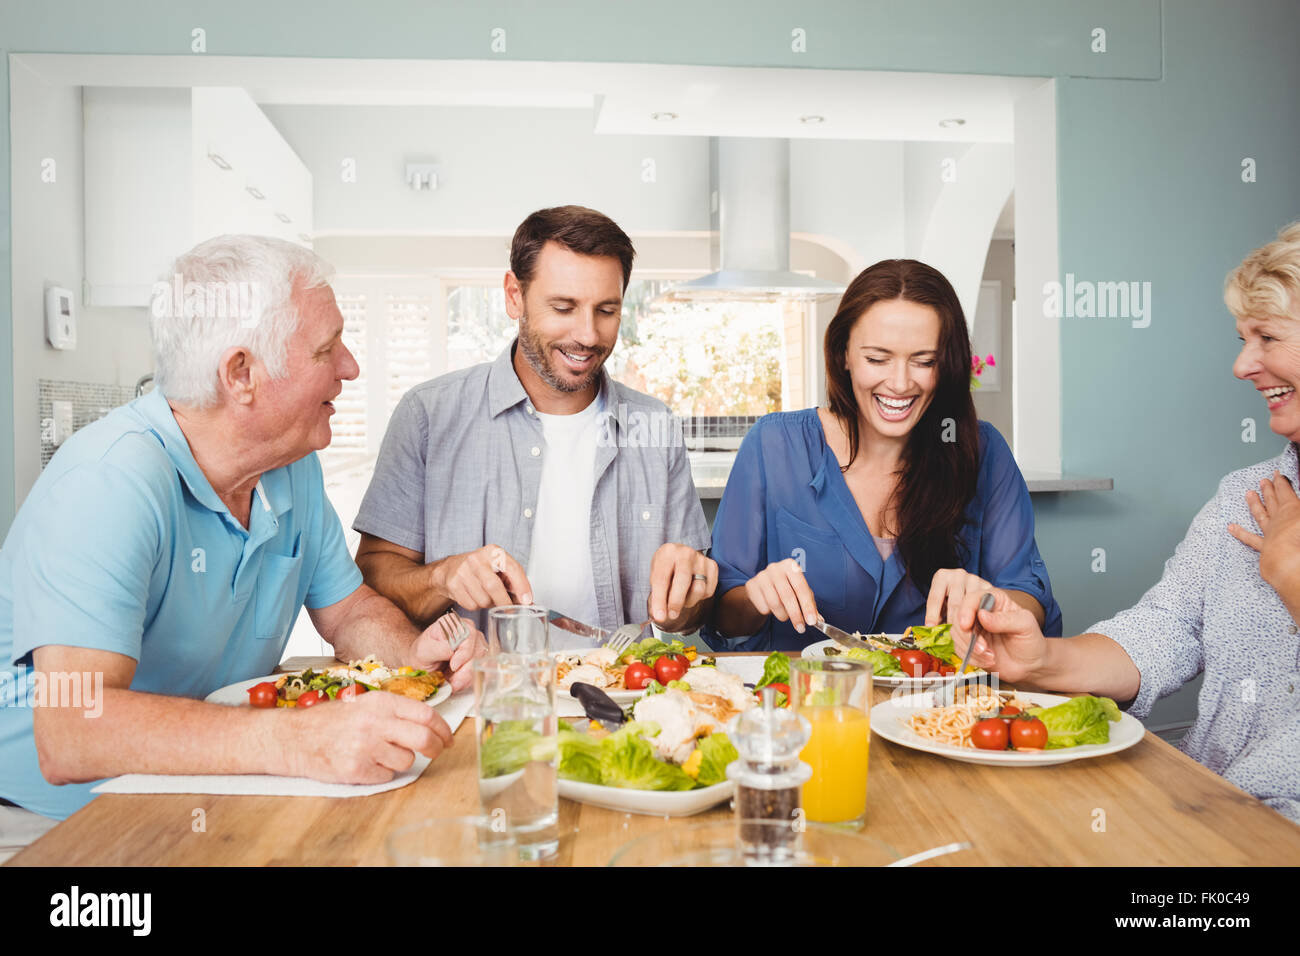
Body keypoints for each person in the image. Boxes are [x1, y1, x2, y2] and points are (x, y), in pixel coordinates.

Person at [0, 235, 486, 854]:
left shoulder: (289, 466)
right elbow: (70, 730)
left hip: (199, 789)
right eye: (326, 348)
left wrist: (411, 656)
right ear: (241, 374)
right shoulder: (109, 481)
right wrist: (301, 738)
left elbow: (350, 611)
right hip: (51, 822)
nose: (350, 366)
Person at [952, 223, 1300, 824]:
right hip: (1200, 805)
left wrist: (1292, 575)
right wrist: (1042, 661)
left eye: (1266, 337)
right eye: (1243, 338)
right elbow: (1166, 627)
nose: (1243, 364)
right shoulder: (1246, 494)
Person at [354, 206, 714, 641]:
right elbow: (372, 576)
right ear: (514, 296)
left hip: (619, 694)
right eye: (563, 307)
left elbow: (692, 612)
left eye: (607, 310)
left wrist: (688, 598)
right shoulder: (428, 415)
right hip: (475, 695)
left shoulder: (654, 426)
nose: (587, 334)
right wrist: (443, 577)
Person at [707, 258, 1062, 651]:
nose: (899, 383)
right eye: (877, 359)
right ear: (843, 354)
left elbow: (1031, 602)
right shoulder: (773, 446)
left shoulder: (983, 453)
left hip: (938, 709)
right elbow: (723, 613)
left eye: (924, 361)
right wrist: (756, 596)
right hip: (801, 703)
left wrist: (992, 602)